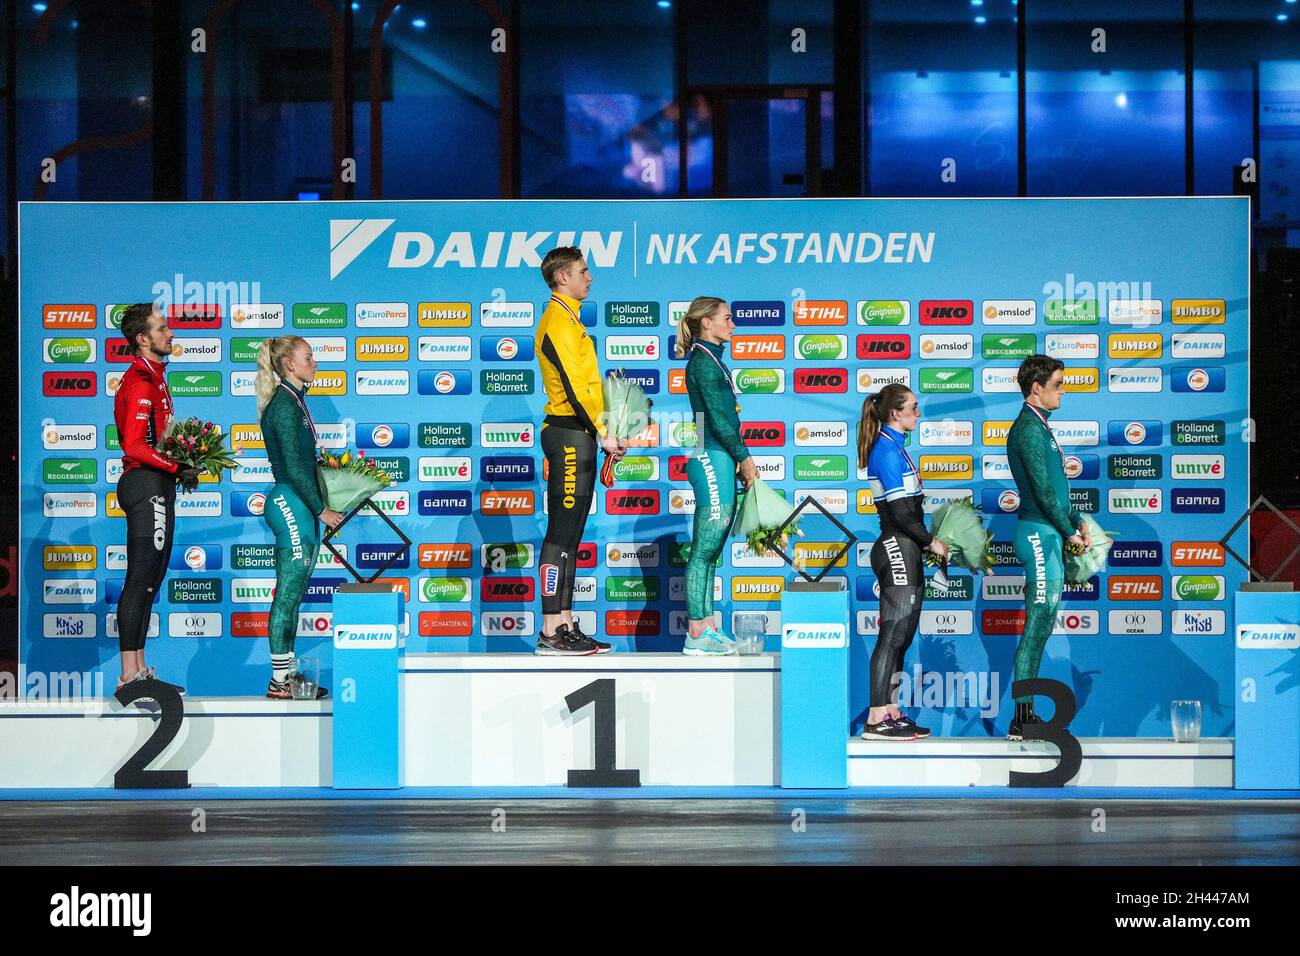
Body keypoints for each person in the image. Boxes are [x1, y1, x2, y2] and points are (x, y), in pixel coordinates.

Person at [534, 247, 625, 656]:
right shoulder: (557, 321)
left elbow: (588, 387)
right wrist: (603, 432)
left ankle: (565, 622)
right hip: (570, 434)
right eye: (583, 272)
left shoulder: (570, 319)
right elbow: (573, 386)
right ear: (562, 278)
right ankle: (552, 629)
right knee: (560, 533)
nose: (591, 278)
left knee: (571, 534)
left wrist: (604, 430)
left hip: (580, 434)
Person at [113, 302, 199, 693]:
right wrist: (175, 468)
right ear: (143, 339)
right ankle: (129, 675)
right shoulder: (141, 382)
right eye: (163, 329)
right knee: (140, 579)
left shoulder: (156, 377)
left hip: (155, 485)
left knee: (150, 582)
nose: (171, 333)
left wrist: (180, 467)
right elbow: (133, 445)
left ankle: (139, 671)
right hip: (144, 485)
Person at [857, 384, 949, 740]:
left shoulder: (897, 447)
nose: (919, 412)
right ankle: (876, 717)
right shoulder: (885, 450)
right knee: (892, 634)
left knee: (904, 636)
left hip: (907, 548)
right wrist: (933, 542)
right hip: (896, 545)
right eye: (913, 407)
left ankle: (891, 711)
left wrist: (924, 543)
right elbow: (899, 514)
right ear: (896, 413)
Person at [1006, 355, 1091, 740]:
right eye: (1057, 384)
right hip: (1038, 534)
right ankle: (1022, 719)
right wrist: (1067, 530)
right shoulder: (1027, 429)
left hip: (1049, 532)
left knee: (1041, 626)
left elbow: (1057, 490)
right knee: (1037, 625)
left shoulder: (1041, 427)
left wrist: (1078, 522)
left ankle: (1026, 716)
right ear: (1036, 388)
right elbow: (1041, 491)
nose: (1063, 391)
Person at [256, 336, 343, 699]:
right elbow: (293, 467)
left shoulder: (295, 402)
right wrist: (322, 509)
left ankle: (288, 677)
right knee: (288, 593)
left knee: (295, 592)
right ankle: (279, 681)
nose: (315, 363)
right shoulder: (283, 406)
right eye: (309, 357)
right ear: (289, 364)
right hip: (291, 503)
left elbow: (305, 464)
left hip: (299, 503)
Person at [678, 297, 758, 655]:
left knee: (712, 551)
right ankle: (696, 633)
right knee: (705, 547)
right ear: (706, 322)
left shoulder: (712, 360)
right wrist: (744, 457)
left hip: (716, 454)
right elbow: (717, 419)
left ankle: (707, 626)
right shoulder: (704, 364)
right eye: (727, 318)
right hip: (712, 455)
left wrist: (736, 456)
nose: (734, 325)